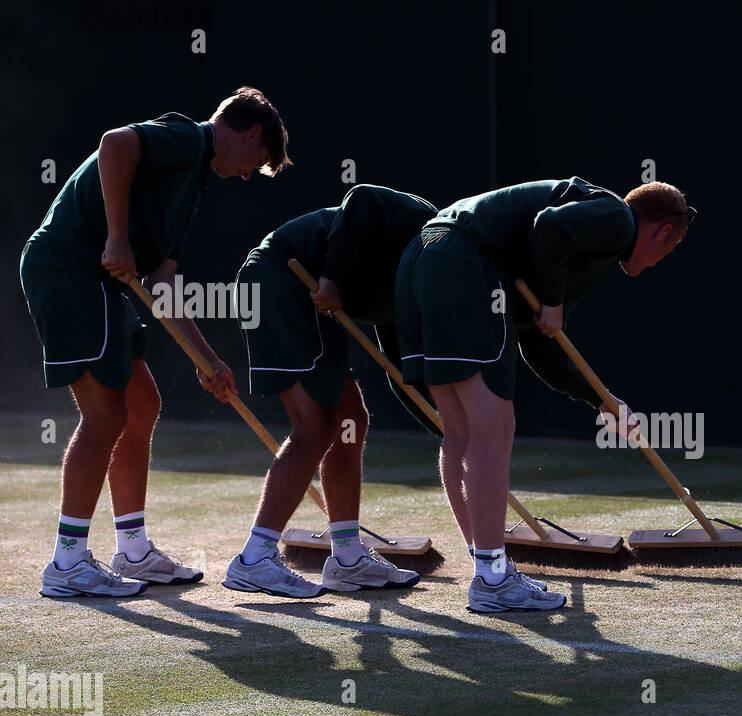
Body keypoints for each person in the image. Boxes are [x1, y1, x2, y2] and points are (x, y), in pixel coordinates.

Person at [20, 87, 290, 598]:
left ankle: (134, 550)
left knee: (142, 403)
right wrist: (117, 237)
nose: (248, 174)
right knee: (106, 416)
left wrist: (208, 360)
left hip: (97, 281)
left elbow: (163, 284)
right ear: (251, 134)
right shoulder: (188, 138)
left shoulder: (192, 189)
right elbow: (115, 143)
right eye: (255, 162)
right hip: (68, 269)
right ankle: (67, 562)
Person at [394, 177, 694, 613]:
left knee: (460, 430)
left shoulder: (580, 249)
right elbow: (550, 227)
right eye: (666, 251)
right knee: (493, 429)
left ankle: (487, 568)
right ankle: (493, 577)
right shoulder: (616, 219)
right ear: (664, 231)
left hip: (422, 258)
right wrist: (552, 302)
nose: (654, 263)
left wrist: (602, 400)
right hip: (463, 264)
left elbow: (541, 345)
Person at [222, 184, 438, 597]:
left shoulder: (419, 276)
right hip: (284, 280)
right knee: (315, 427)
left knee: (349, 420)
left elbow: (399, 364)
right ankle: (254, 559)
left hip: (303, 295)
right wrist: (331, 277)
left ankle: (347, 558)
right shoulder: (425, 224)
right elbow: (361, 198)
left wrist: (444, 425)